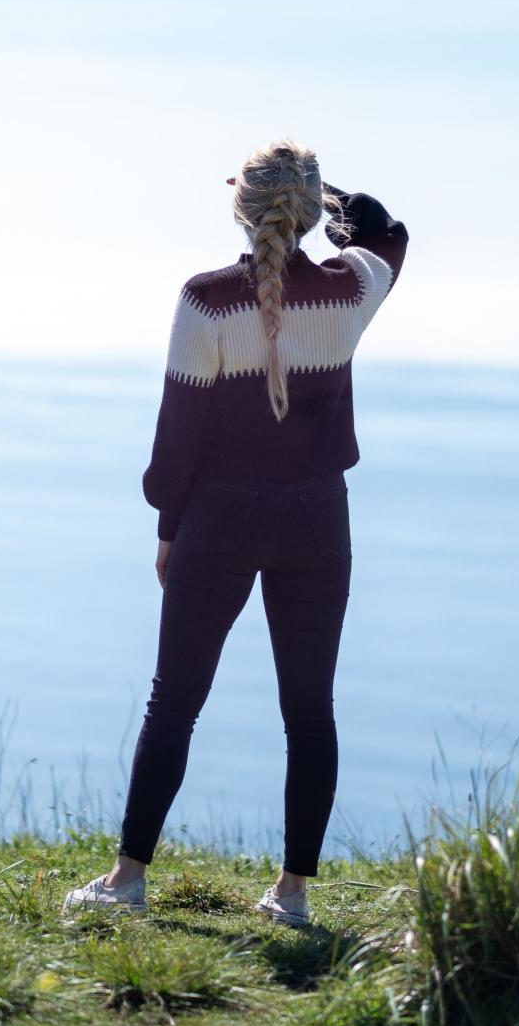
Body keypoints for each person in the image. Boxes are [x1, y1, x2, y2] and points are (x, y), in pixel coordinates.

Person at [63, 138, 409, 926]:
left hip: (218, 517)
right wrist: (335, 206)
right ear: (309, 210)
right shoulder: (354, 285)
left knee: (174, 701)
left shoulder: (206, 299)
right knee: (310, 708)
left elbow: (177, 436)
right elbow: (388, 235)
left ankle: (127, 879)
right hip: (318, 515)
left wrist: (168, 526)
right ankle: (291, 895)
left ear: (239, 208)